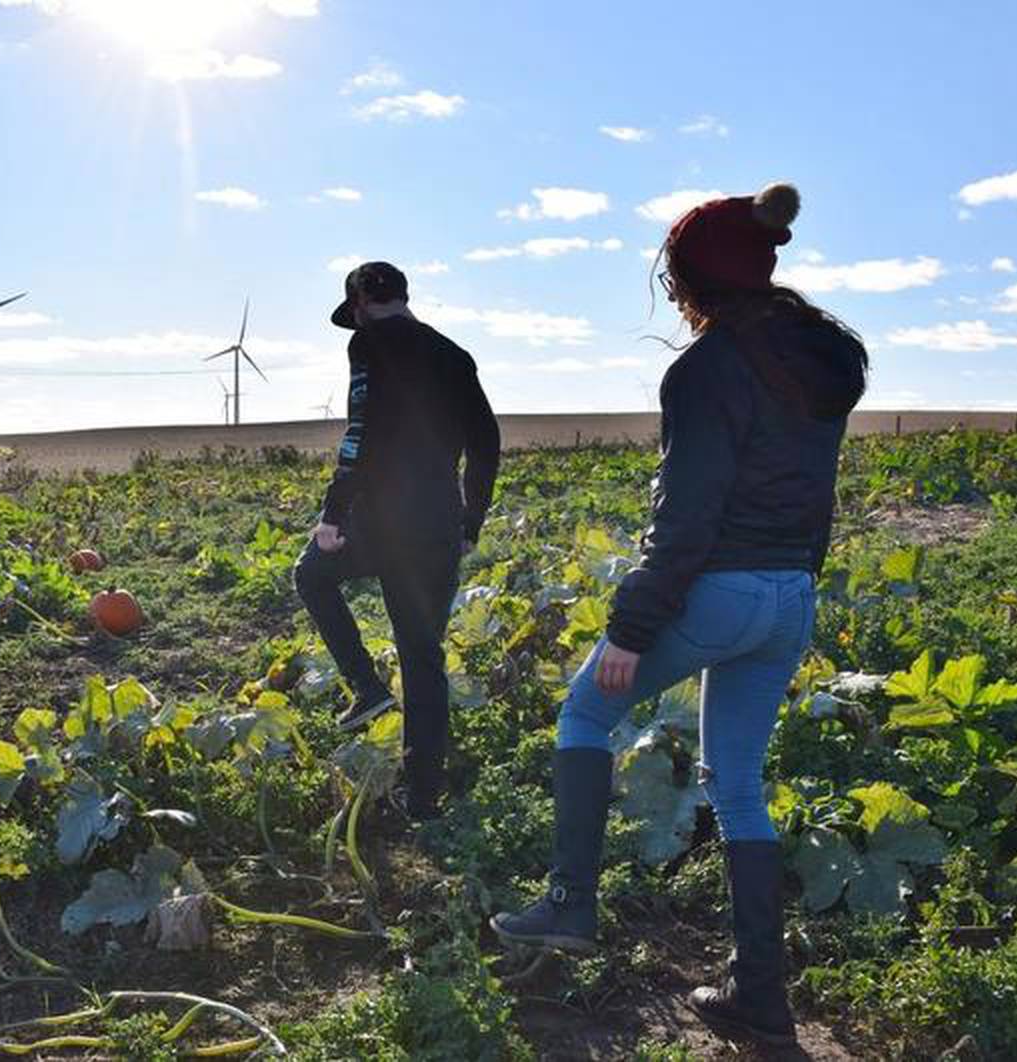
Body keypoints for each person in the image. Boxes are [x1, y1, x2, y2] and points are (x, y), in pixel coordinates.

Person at [489, 184, 868, 1046]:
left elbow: (688, 517)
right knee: (735, 785)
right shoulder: (824, 361)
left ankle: (568, 906)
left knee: (587, 712)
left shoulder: (705, 369)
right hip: (790, 597)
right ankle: (758, 998)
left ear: (690, 279)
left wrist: (631, 628)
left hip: (718, 589)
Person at [293, 261, 500, 821]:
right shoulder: (455, 355)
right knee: (422, 655)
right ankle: (425, 801)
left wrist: (334, 514)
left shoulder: (368, 344)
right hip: (437, 525)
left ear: (359, 304)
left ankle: (365, 685)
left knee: (311, 576)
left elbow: (360, 432)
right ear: (405, 296)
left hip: (379, 523)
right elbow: (486, 444)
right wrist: (469, 521)